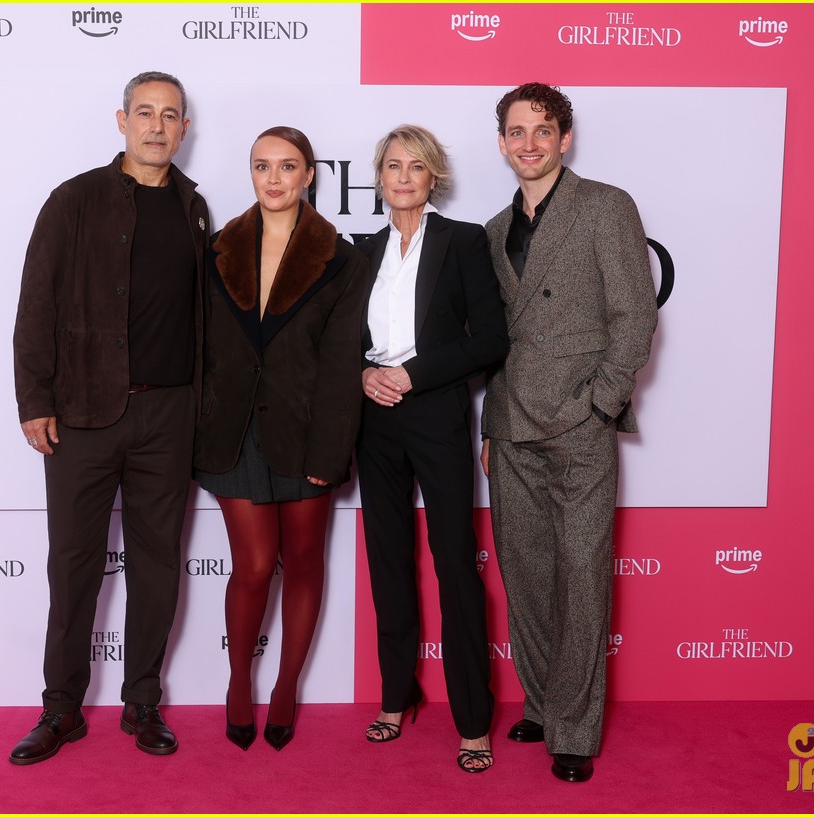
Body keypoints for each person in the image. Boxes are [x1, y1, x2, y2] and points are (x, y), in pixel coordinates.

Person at [9, 71, 208, 765]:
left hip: (170, 412)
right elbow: (36, 302)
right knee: (73, 564)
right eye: (145, 113)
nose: (158, 126)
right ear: (121, 121)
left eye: (171, 116)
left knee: (158, 564)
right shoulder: (75, 199)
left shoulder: (194, 206)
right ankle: (60, 708)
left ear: (184, 128)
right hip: (84, 413)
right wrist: (34, 398)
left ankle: (142, 701)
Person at [480, 83, 658, 783]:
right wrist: (491, 422)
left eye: (542, 130)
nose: (529, 143)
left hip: (580, 422)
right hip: (512, 423)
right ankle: (543, 700)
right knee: (525, 573)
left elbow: (635, 316)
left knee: (580, 575)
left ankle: (575, 727)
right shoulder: (493, 231)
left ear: (565, 138)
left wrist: (601, 404)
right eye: (516, 132)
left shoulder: (606, 207)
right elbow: (495, 339)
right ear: (501, 143)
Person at [193, 126, 368, 752]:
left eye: (287, 166)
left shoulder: (342, 259)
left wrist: (331, 449)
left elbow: (343, 360)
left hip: (307, 434)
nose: (274, 178)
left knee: (304, 565)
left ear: (308, 175)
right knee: (255, 566)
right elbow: (205, 352)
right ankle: (239, 679)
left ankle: (287, 684)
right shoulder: (216, 250)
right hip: (233, 433)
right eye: (262, 166)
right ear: (251, 173)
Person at [355, 125, 508, 773]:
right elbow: (338, 342)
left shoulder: (464, 241)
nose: (404, 176)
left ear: (433, 176)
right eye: (393, 165)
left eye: (416, 166)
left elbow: (490, 339)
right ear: (380, 177)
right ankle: (396, 695)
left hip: (437, 413)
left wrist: (414, 374)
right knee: (388, 563)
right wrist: (362, 375)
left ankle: (473, 720)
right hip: (374, 419)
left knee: (454, 566)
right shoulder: (362, 250)